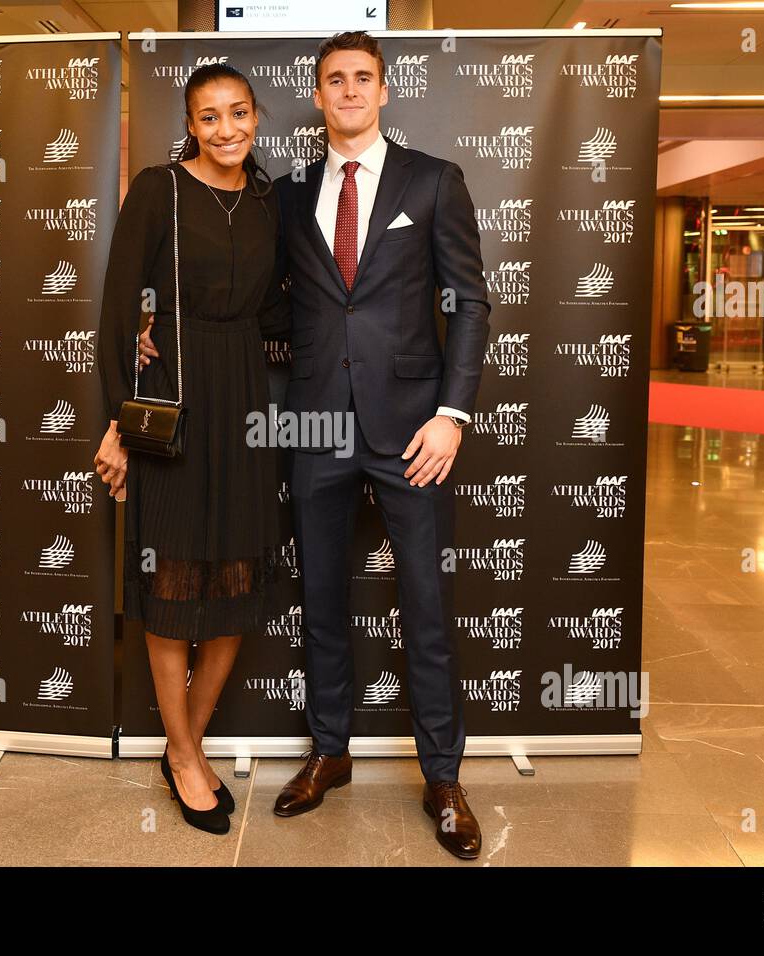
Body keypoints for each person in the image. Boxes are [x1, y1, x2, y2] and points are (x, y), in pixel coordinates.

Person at [270, 31, 490, 860]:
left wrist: (451, 415)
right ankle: (330, 753)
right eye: (335, 80)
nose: (350, 90)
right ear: (318, 94)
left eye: (363, 77)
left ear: (385, 90)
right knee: (322, 598)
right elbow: (273, 307)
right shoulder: (290, 195)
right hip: (315, 423)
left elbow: (471, 303)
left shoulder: (433, 181)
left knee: (425, 609)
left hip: (413, 433)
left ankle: (443, 776)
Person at [94, 63, 289, 836]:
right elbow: (117, 308)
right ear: (191, 125)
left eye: (238, 112)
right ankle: (180, 755)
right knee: (172, 581)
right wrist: (118, 422)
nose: (227, 129)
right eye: (209, 117)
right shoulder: (159, 189)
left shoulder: (271, 200)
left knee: (236, 572)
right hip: (173, 394)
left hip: (242, 393)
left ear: (256, 115)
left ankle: (193, 740)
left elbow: (284, 310)